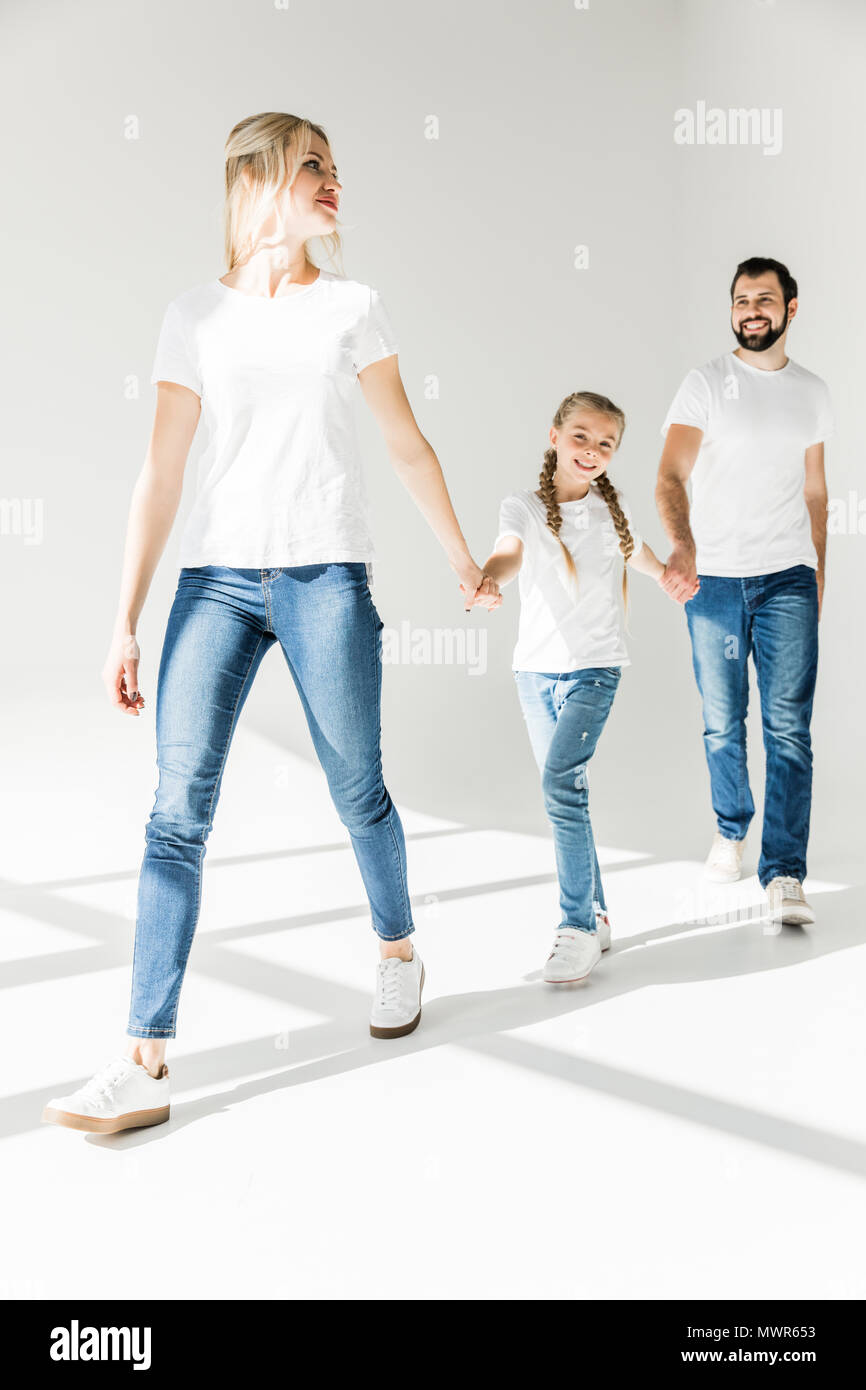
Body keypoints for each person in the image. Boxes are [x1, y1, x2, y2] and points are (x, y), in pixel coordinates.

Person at [43, 111, 494, 1134]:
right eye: (312, 167)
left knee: (357, 787)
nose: (334, 183)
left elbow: (406, 444)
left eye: (337, 167)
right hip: (216, 581)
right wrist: (123, 616)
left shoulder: (351, 306)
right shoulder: (192, 315)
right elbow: (161, 471)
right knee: (175, 813)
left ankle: (396, 952)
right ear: (254, 178)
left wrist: (462, 554)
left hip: (326, 575)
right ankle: (144, 1055)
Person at [473, 391, 685, 984]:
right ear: (555, 437)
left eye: (606, 443)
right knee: (565, 791)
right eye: (581, 437)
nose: (592, 451)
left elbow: (634, 552)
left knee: (560, 785)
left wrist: (667, 575)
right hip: (534, 673)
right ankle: (596, 912)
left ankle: (575, 927)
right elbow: (508, 552)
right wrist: (489, 578)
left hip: (596, 668)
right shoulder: (524, 506)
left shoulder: (610, 515)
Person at [656, 257, 833, 924]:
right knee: (722, 721)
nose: (750, 309)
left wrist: (820, 581)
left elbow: (817, 493)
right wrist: (683, 544)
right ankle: (731, 828)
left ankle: (784, 871)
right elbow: (670, 475)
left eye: (764, 298)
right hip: (716, 582)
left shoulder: (814, 392)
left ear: (791, 307)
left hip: (789, 576)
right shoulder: (705, 383)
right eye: (740, 299)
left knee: (789, 727)